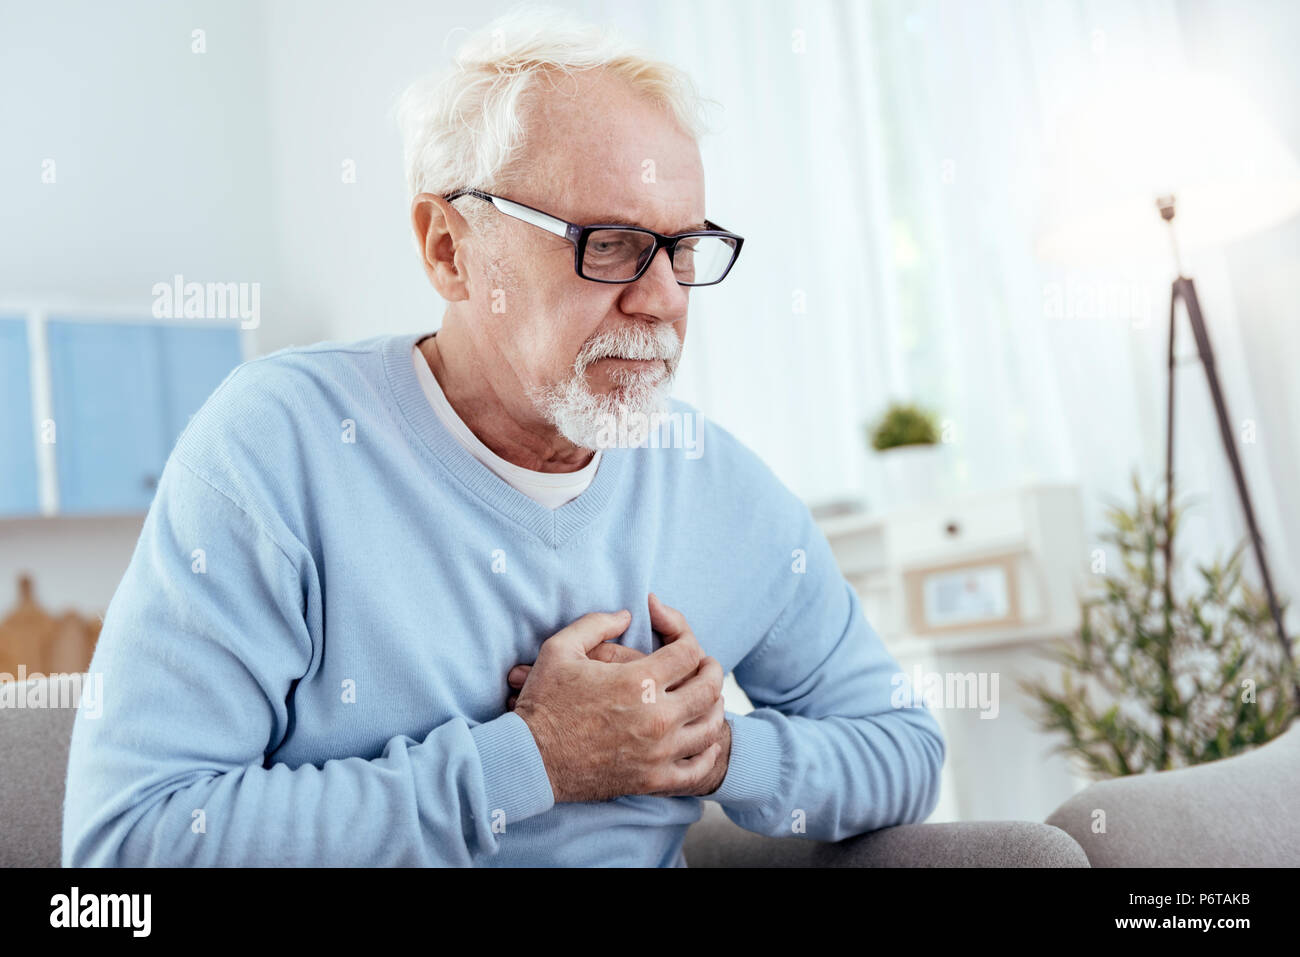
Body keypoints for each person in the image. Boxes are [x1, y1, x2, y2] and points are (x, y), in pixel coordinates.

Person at [62, 5, 945, 867]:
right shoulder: (277, 448)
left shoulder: (718, 487)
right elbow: (129, 840)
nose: (665, 298)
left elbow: (906, 747)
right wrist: (531, 760)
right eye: (609, 244)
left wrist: (711, 750)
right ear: (450, 249)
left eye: (682, 248)